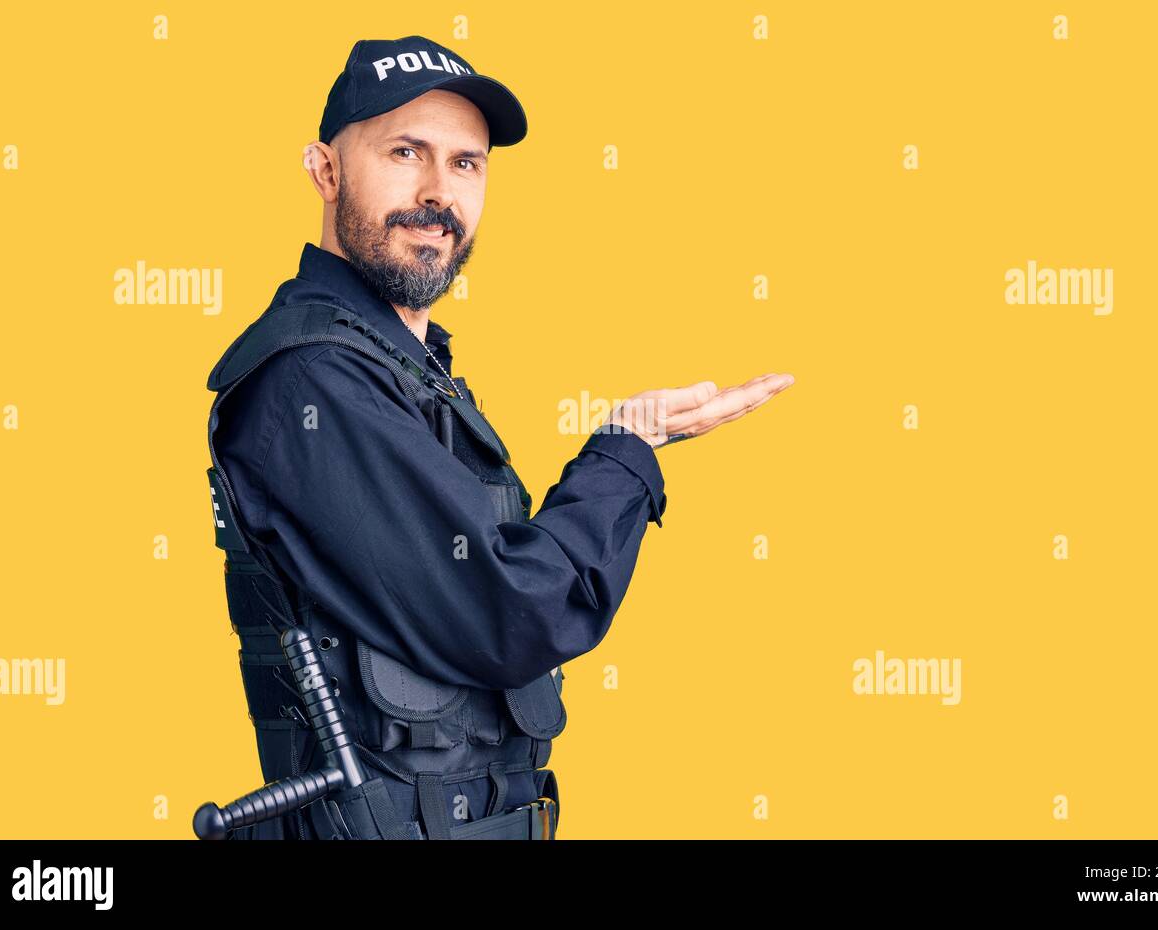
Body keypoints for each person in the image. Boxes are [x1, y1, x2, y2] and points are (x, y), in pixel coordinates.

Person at [203, 35, 795, 840]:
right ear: (326, 170)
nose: (437, 193)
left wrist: (630, 441)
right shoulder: (313, 380)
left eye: (466, 164)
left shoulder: (406, 369)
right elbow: (513, 611)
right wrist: (626, 451)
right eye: (405, 152)